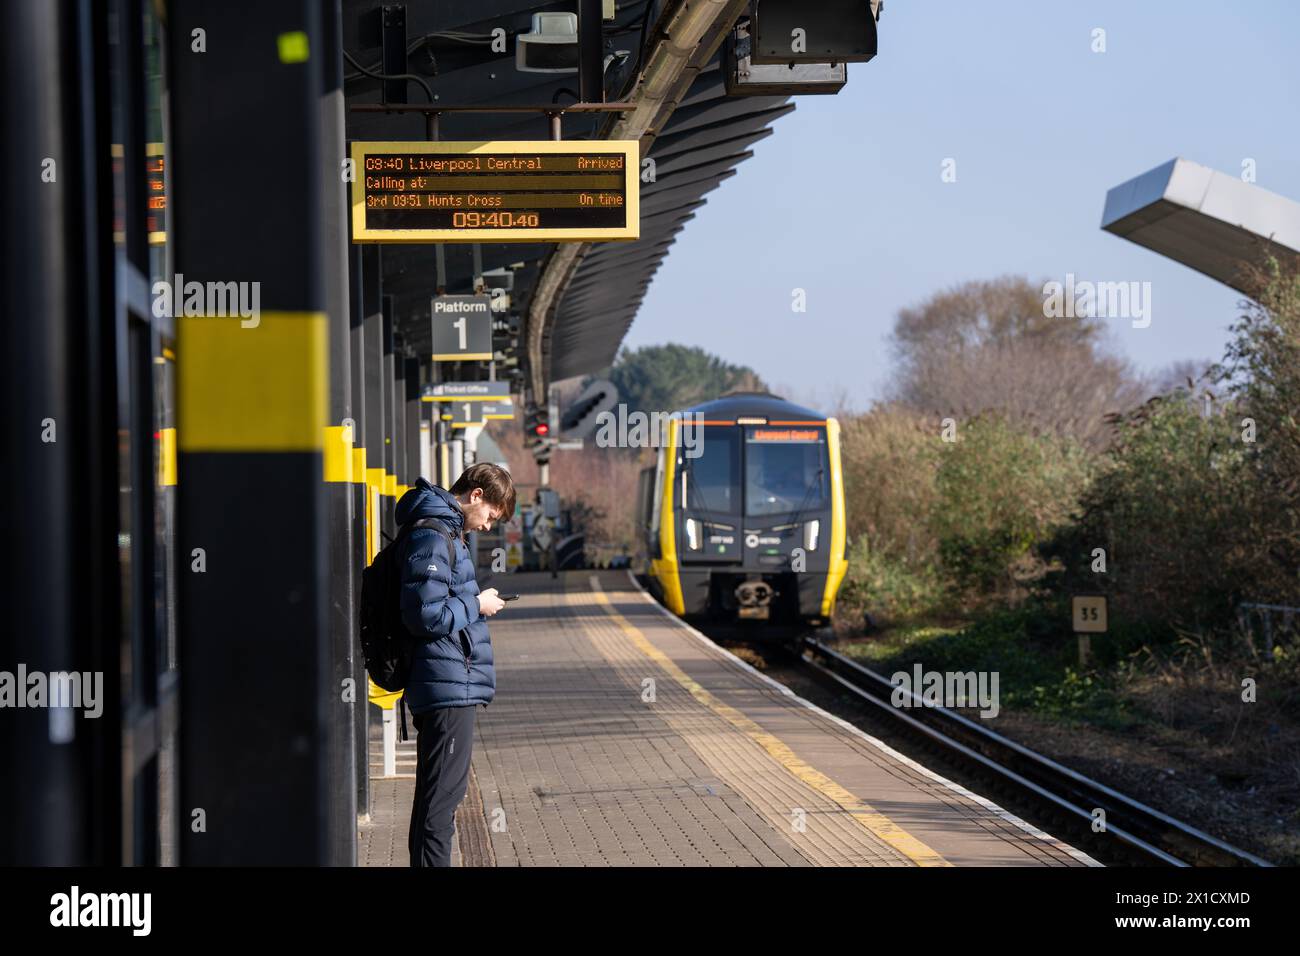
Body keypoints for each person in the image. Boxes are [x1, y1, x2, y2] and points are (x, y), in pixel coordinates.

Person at [396, 463, 515, 868]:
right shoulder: (433, 534)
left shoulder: (444, 531)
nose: (487, 527)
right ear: (476, 495)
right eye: (491, 516)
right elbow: (424, 615)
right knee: (440, 806)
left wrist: (472, 601)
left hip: (447, 679)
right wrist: (476, 604)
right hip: (446, 684)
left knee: (435, 800)